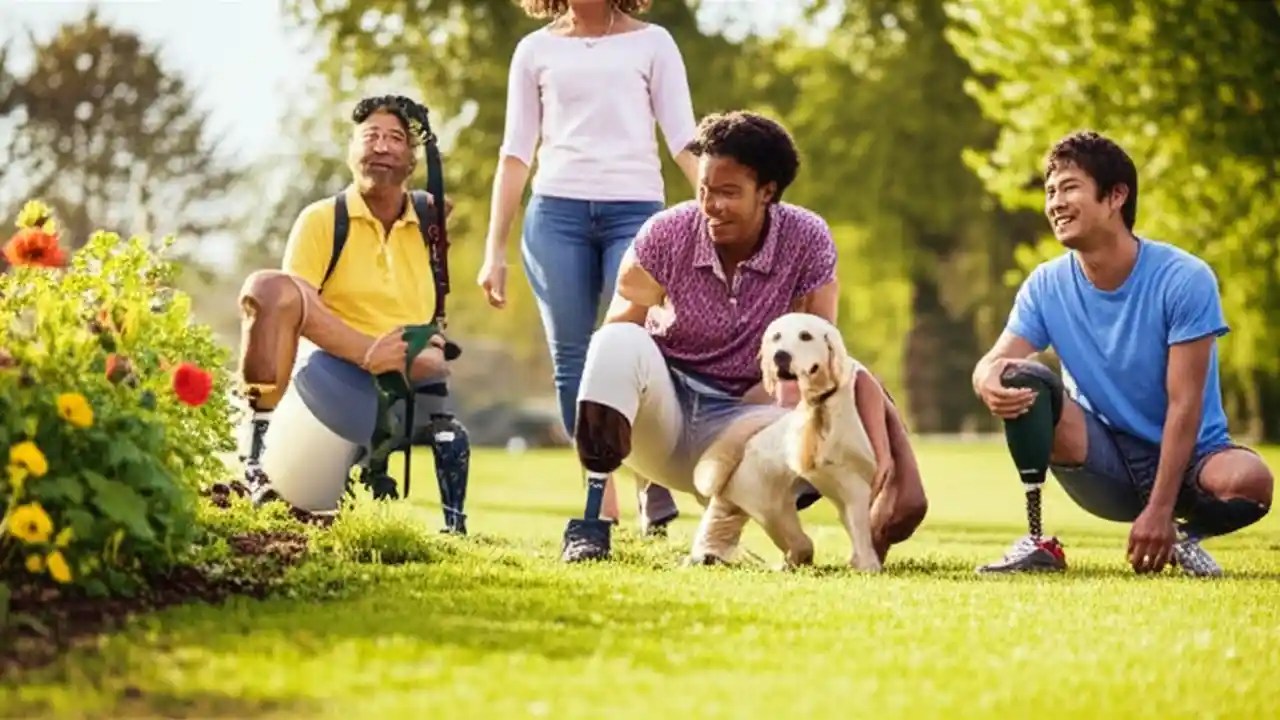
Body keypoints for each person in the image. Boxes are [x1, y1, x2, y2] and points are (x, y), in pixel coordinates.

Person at [560, 110, 929, 563]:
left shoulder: (806, 238)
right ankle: (590, 526)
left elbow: (820, 348)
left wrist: (767, 406)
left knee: (826, 395)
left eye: (728, 192)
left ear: (768, 192)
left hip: (755, 418)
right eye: (705, 190)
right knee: (614, 341)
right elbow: (622, 328)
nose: (712, 205)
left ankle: (725, 542)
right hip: (666, 418)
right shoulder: (666, 233)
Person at [971, 130, 1273, 577]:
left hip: (1193, 461)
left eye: (1070, 187)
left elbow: (1184, 405)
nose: (1055, 202)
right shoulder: (1045, 284)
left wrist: (1161, 509)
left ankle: (1183, 541)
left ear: (1115, 196)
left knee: (1253, 481)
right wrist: (987, 381)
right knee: (1020, 374)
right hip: (1105, 457)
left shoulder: (1184, 278)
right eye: (1051, 191)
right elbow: (991, 363)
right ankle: (1036, 541)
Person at [478, 0, 699, 535]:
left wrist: (716, 215)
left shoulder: (653, 43)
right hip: (556, 214)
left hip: (637, 211)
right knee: (572, 357)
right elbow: (515, 152)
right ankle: (598, 490)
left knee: (636, 339)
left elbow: (685, 140)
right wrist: (495, 249)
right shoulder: (534, 50)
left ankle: (652, 474)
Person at [233, 95, 471, 533]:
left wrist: (412, 348)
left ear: (411, 159)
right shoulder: (322, 219)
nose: (381, 145)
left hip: (410, 352)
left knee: (429, 361)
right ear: (351, 152)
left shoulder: (427, 219)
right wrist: (368, 351)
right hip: (332, 362)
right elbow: (296, 307)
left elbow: (446, 206)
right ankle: (256, 460)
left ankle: (450, 520)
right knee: (270, 290)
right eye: (370, 136)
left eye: (395, 138)